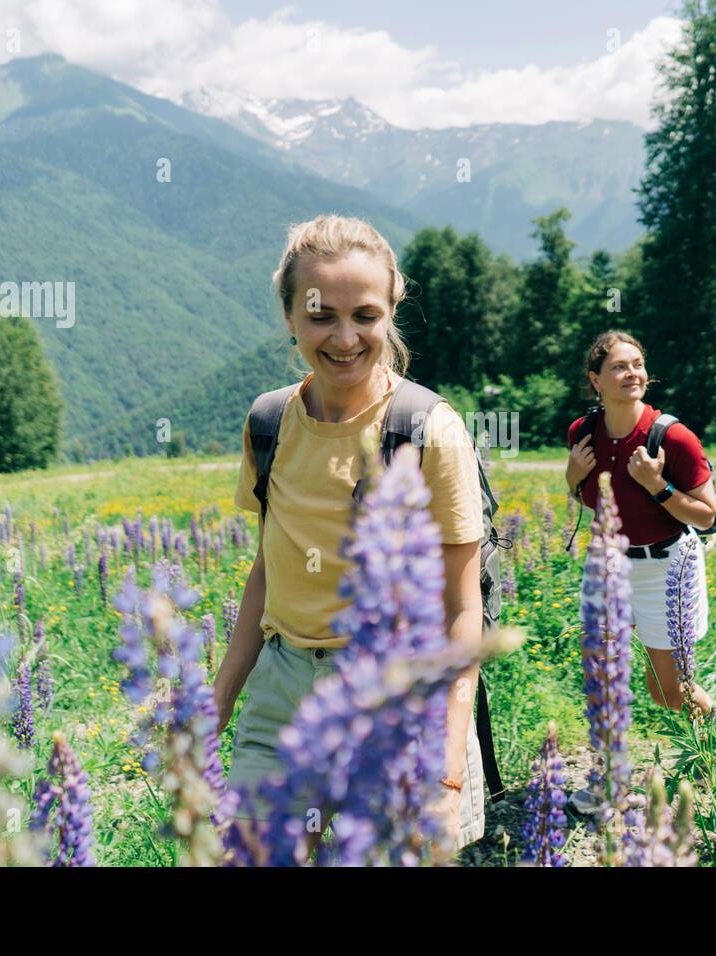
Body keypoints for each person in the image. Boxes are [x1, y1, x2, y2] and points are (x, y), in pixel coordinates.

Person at [211, 214, 487, 856]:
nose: (343, 337)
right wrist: (219, 700)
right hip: (282, 687)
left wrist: (446, 766)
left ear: (391, 310)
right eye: (319, 315)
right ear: (289, 317)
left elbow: (461, 609)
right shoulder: (269, 422)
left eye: (364, 315)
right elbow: (266, 571)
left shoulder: (427, 429)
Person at [564, 330, 716, 814]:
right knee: (603, 676)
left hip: (666, 567)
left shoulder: (672, 437)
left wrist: (657, 486)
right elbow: (587, 496)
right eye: (619, 366)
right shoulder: (583, 432)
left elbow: (708, 516)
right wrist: (573, 477)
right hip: (608, 565)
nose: (633, 373)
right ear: (595, 379)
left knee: (667, 690)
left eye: (637, 364)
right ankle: (608, 784)